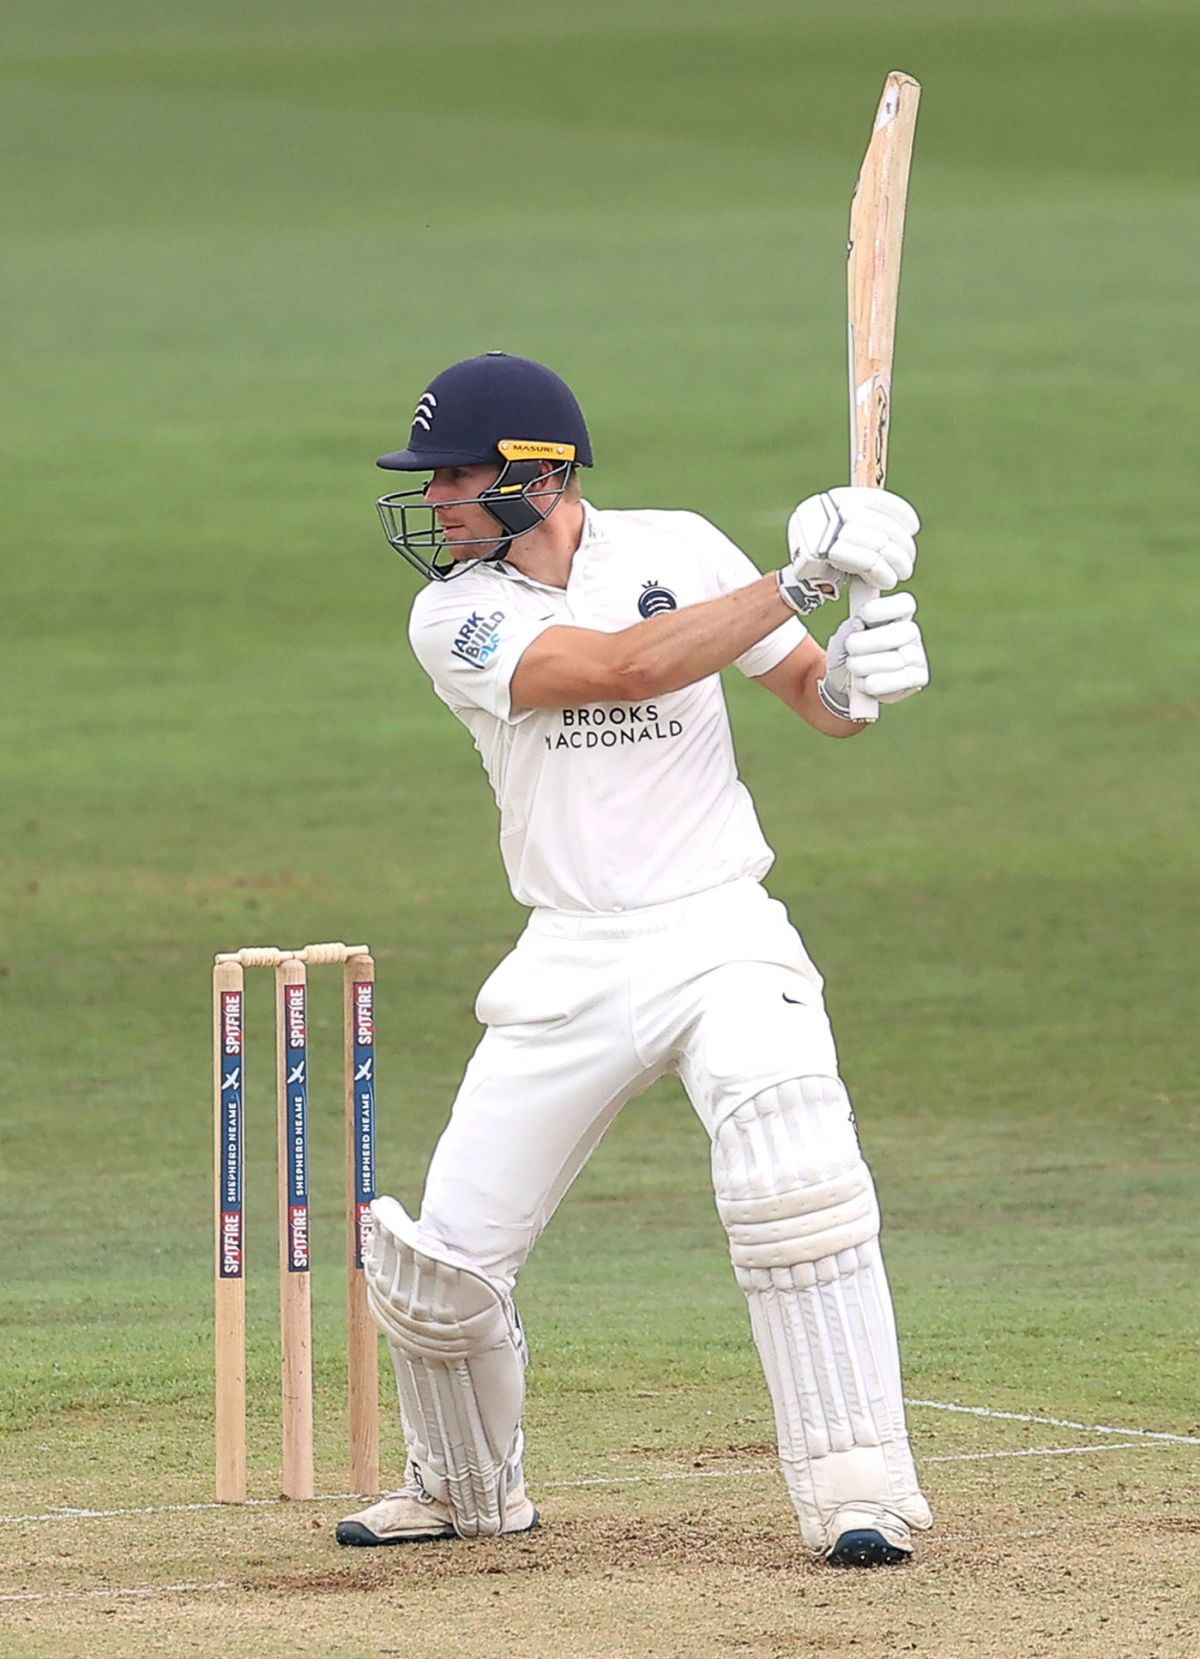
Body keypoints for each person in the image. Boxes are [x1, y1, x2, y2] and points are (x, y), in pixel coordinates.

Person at [336, 351, 933, 1567]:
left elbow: (811, 697)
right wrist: (811, 572)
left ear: (538, 472)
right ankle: (463, 1489)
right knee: (438, 1271)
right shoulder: (454, 612)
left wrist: (863, 675)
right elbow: (624, 668)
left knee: (794, 1178)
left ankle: (861, 1494)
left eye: (455, 475)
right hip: (571, 957)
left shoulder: (684, 545)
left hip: (721, 932)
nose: (436, 499)